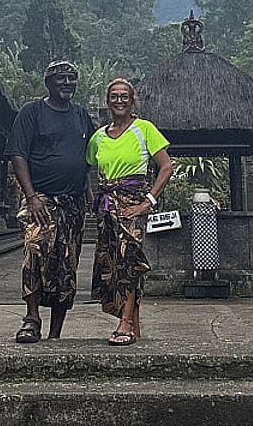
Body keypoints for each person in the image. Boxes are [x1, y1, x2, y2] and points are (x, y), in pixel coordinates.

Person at [6, 60, 94, 343]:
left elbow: (90, 157)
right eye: (61, 78)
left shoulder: (81, 116)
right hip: (41, 199)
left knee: (66, 264)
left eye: (72, 77)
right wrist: (30, 196)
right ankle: (31, 318)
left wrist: (90, 193)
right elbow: (18, 155)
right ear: (48, 82)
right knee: (35, 250)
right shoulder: (32, 112)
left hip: (73, 202)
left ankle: (56, 331)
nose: (67, 82)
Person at [87, 78, 174, 346]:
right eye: (114, 96)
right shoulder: (99, 136)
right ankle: (133, 324)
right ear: (107, 101)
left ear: (132, 100)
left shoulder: (144, 129)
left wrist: (148, 202)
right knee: (111, 263)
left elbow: (166, 167)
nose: (119, 100)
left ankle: (124, 323)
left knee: (129, 260)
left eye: (124, 96)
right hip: (106, 208)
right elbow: (88, 168)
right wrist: (93, 200)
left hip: (132, 204)